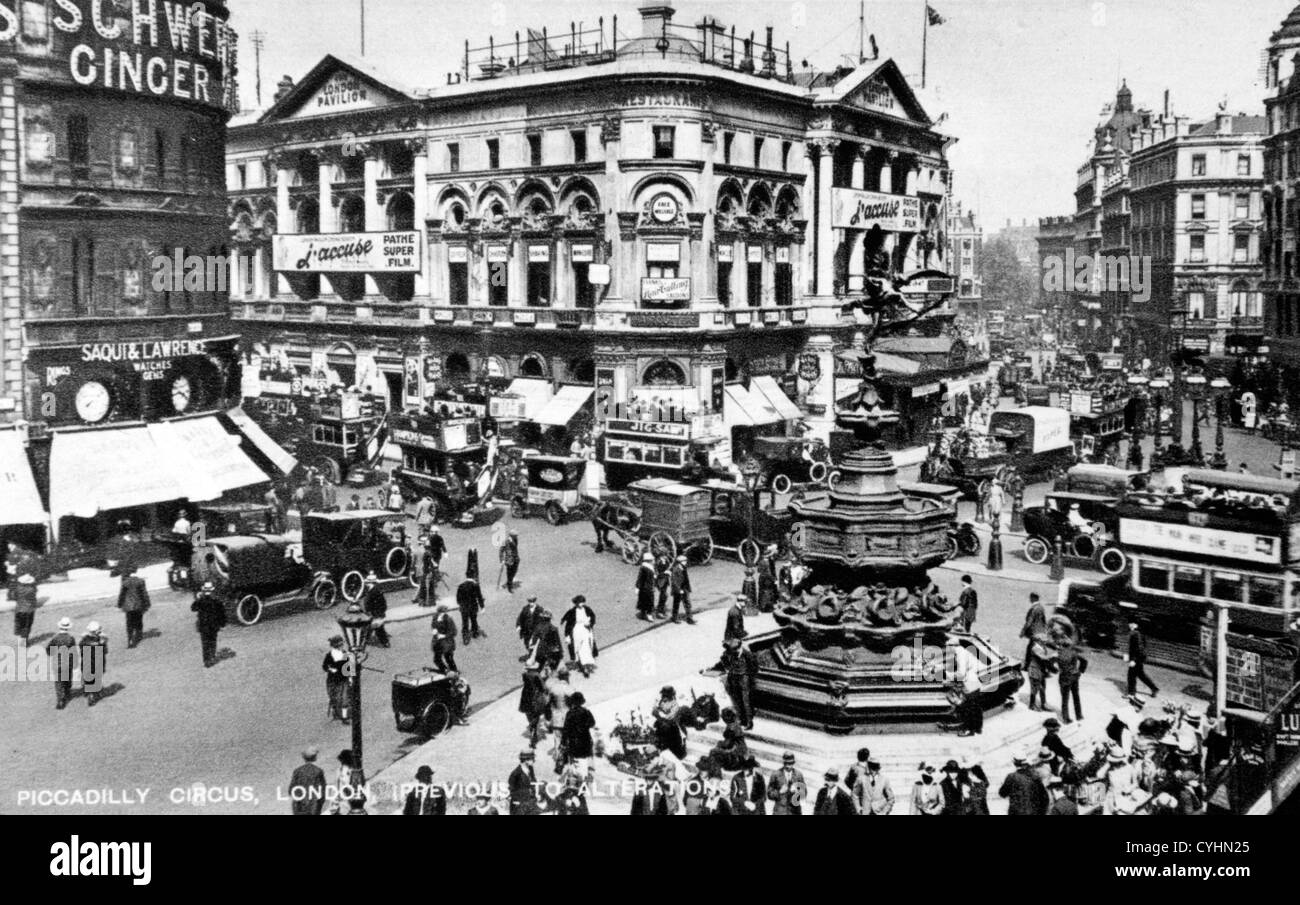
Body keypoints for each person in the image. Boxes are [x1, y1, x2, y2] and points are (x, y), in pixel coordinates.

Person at [721, 638, 758, 730]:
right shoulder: (729, 653)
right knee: (737, 700)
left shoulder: (747, 654)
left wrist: (748, 676)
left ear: (739, 647)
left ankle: (749, 722)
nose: (734, 652)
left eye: (735, 650)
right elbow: (724, 660)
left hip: (744, 679)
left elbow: (754, 667)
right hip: (734, 678)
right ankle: (741, 720)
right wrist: (728, 669)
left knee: (746, 701)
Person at [999, 751, 1050, 816]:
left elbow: (1002, 793)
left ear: (1014, 763)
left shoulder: (1011, 777)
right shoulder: (1035, 776)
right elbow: (1045, 799)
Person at [191, 581, 227, 668]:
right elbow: (222, 613)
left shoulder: (200, 600)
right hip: (214, 625)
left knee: (205, 643)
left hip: (203, 625)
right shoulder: (217, 601)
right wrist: (222, 624)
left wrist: (197, 599)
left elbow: (193, 608)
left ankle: (206, 660)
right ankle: (212, 656)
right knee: (213, 641)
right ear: (212, 590)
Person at [561, 690, 596, 775]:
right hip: (585, 741)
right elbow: (592, 723)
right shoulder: (586, 712)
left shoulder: (569, 713)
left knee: (574, 762)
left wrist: (563, 742)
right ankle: (586, 778)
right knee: (585, 762)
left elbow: (565, 729)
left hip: (573, 742)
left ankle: (575, 778)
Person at [116, 564, 151, 649]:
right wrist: (147, 603)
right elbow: (144, 594)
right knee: (139, 620)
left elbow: (122, 594)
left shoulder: (125, 582)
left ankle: (130, 640)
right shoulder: (140, 581)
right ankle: (138, 635)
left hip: (128, 606)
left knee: (129, 623)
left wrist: (119, 604)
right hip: (139, 605)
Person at [47, 617, 78, 710]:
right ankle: (67, 693)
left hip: (57, 663)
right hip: (67, 662)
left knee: (59, 682)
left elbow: (49, 650)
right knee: (68, 678)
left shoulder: (55, 638)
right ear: (68, 628)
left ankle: (60, 700)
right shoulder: (71, 638)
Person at [652, 686, 688, 760]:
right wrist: (655, 707)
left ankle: (677, 756)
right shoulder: (661, 701)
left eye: (665, 695)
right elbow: (654, 712)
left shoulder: (674, 704)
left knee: (675, 742)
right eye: (663, 694)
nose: (663, 696)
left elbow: (671, 716)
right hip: (662, 725)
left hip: (672, 726)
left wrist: (660, 714)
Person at [1126, 621, 1159, 700]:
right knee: (1141, 675)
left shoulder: (1135, 634)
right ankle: (1154, 688)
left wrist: (1133, 660)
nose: (1130, 625)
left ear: (1136, 625)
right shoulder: (1139, 633)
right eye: (1130, 624)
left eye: (1132, 624)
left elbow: (1137, 648)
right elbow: (1141, 646)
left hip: (1137, 658)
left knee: (1131, 676)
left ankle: (1131, 693)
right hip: (1140, 658)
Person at [289, 747, 327, 816]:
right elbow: (323, 790)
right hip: (314, 806)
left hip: (299, 805)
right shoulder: (318, 771)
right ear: (314, 757)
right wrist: (320, 803)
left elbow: (291, 789)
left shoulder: (297, 771)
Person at [1057, 639, 1086, 723]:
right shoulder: (1074, 653)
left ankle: (1066, 718)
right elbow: (1084, 661)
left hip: (1064, 677)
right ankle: (1079, 715)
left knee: (1065, 699)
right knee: (1076, 696)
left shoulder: (1059, 653)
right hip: (1074, 676)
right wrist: (1080, 671)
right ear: (1070, 645)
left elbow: (1052, 662)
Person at [79, 622, 108, 706]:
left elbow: (81, 650)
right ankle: (95, 693)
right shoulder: (100, 642)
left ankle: (90, 693)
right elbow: (105, 651)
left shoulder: (83, 641)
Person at [508, 750, 544, 815]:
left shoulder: (530, 770)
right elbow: (511, 791)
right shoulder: (515, 774)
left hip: (530, 804)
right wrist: (528, 792)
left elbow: (533, 783)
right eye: (532, 759)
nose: (534, 760)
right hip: (519, 806)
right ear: (526, 760)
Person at [323, 635, 350, 722]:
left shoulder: (345, 654)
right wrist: (331, 669)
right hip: (332, 679)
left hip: (343, 680)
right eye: (339, 645)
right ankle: (336, 713)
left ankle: (344, 717)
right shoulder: (329, 655)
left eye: (342, 645)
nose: (341, 647)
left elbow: (348, 667)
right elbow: (324, 666)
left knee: (344, 699)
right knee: (333, 697)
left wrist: (350, 677)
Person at [568, 596, 597, 678]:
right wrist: (567, 635)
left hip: (586, 630)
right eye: (580, 602)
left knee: (588, 647)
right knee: (579, 648)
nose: (582, 604)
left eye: (583, 602)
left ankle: (587, 665)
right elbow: (569, 624)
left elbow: (593, 617)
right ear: (577, 603)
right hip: (577, 631)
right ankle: (584, 667)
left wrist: (590, 623)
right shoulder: (573, 611)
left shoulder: (587, 609)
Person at [360, 573, 391, 648]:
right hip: (375, 613)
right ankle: (365, 639)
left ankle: (385, 642)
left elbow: (380, 604)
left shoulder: (374, 591)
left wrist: (375, 613)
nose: (366, 584)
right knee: (372, 627)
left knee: (378, 628)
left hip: (375, 613)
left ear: (371, 583)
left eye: (367, 582)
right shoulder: (374, 590)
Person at [11, 572, 43, 643]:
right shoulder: (32, 589)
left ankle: (19, 640)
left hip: (19, 609)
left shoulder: (18, 589)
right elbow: (35, 592)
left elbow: (13, 596)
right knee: (26, 626)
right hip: (29, 610)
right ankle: (24, 643)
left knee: (19, 624)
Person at [456, 572, 485, 644]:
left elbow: (458, 598)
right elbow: (479, 597)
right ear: (473, 576)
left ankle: (465, 637)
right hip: (473, 606)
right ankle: (475, 633)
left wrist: (461, 604)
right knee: (473, 620)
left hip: (464, 608)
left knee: (465, 622)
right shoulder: (475, 585)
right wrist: (482, 607)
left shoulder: (461, 586)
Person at [431, 603, 458, 673]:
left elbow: (454, 631)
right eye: (440, 613)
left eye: (443, 613)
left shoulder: (448, 619)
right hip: (437, 641)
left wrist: (444, 635)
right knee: (437, 659)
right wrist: (434, 630)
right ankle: (445, 670)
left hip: (447, 642)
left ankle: (454, 671)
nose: (442, 614)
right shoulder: (435, 617)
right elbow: (433, 625)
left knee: (448, 658)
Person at [670, 555, 695, 624]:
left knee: (688, 603)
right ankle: (674, 617)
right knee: (676, 604)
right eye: (684, 561)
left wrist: (687, 588)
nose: (686, 562)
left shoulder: (684, 568)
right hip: (678, 590)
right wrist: (679, 589)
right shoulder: (676, 569)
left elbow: (686, 579)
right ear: (680, 562)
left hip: (685, 588)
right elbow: (674, 581)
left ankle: (690, 618)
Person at [634, 553, 657, 621]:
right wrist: (637, 587)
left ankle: (644, 613)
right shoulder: (644, 568)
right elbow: (640, 578)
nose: (653, 561)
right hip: (645, 588)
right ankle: (648, 614)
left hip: (649, 587)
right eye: (652, 560)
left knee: (647, 600)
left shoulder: (650, 567)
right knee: (647, 600)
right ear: (649, 561)